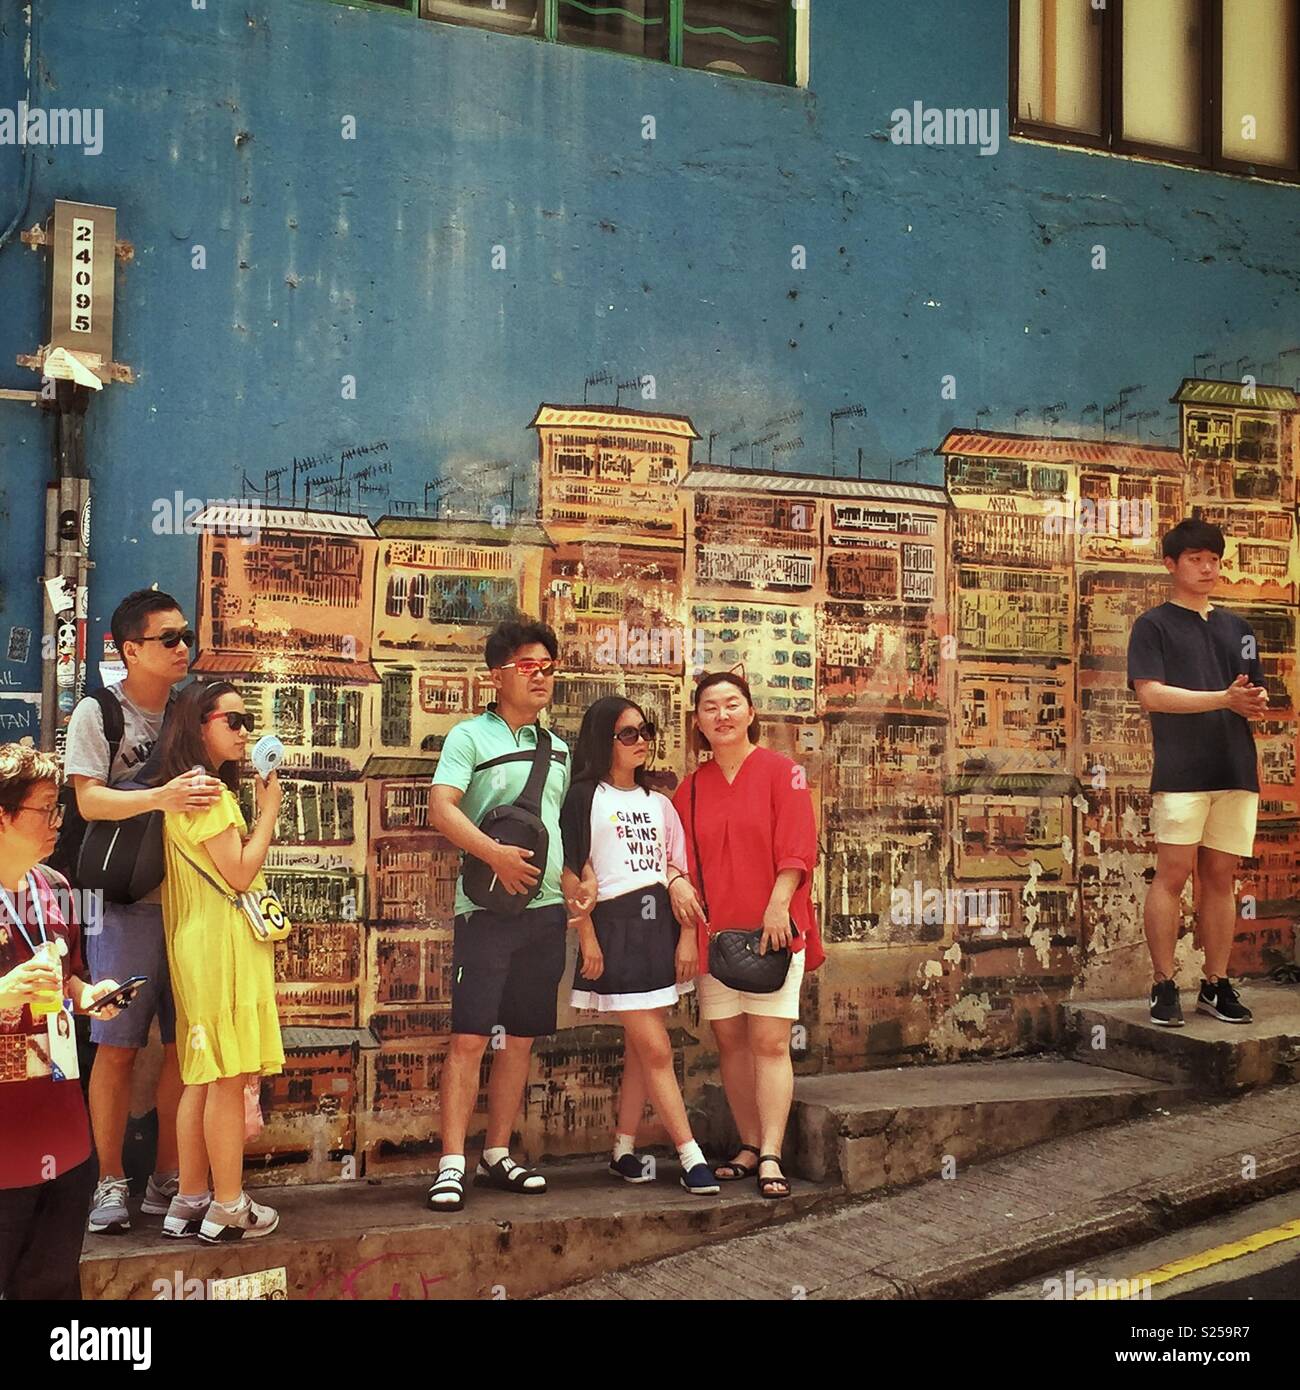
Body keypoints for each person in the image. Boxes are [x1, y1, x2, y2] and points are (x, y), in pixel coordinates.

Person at [64, 588, 222, 1234]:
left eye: (186, 636)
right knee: (117, 1046)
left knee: (188, 1046)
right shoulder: (99, 712)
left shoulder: (196, 711)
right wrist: (160, 796)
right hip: (124, 905)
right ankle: (108, 1180)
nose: (182, 648)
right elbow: (89, 802)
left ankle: (169, 1177)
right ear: (130, 649)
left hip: (192, 902)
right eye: (167, 639)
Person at [426, 618, 571, 1212]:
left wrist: (575, 888)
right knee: (468, 1037)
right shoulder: (468, 737)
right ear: (497, 675)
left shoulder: (558, 747)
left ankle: (497, 1153)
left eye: (549, 668)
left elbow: (557, 829)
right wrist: (495, 858)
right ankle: (452, 1162)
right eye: (528, 666)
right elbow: (442, 810)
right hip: (486, 912)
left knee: (520, 1040)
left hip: (547, 913)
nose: (541, 677)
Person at [672, 670, 824, 1199]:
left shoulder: (785, 773)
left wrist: (779, 905)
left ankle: (773, 1154)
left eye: (732, 704)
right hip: (716, 935)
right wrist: (690, 934)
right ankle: (747, 1143)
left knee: (770, 1039)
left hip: (775, 928)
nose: (722, 715)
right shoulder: (689, 790)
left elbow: (799, 844)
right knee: (730, 1041)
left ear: (751, 712)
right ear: (698, 721)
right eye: (710, 707)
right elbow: (682, 865)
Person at [559, 697, 717, 1194]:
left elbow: (678, 871)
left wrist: (688, 933)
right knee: (655, 1046)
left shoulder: (660, 803)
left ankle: (623, 1150)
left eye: (645, 730)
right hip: (615, 926)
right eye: (628, 734)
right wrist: (587, 935)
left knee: (640, 1047)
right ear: (604, 739)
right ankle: (691, 1156)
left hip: (658, 929)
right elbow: (570, 872)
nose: (641, 740)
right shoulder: (584, 796)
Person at [154, 681, 285, 1241]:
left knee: (201, 1077)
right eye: (233, 720)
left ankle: (190, 1197)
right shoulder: (208, 793)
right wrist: (269, 814)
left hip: (195, 940)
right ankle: (228, 1203)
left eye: (247, 720)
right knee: (226, 1077)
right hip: (220, 944)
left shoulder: (189, 789)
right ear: (198, 723)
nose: (244, 731)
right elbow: (240, 872)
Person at [1127, 518, 1269, 1028]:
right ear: (1171, 565)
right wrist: (1222, 699)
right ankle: (1164, 983)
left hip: (1235, 766)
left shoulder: (1242, 630)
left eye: (1213, 558)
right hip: (1182, 769)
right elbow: (1151, 694)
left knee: (1220, 879)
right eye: (1195, 559)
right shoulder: (1153, 625)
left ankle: (1216, 983)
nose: (1207, 567)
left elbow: (1255, 689)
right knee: (1172, 874)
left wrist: (1253, 700)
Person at [0, 744, 123, 1298]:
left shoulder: (56, 889)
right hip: (5, 1131)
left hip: (61, 1118)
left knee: (51, 1283)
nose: (58, 821)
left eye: (59, 809)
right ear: (2, 815)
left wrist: (89, 993)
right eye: (46, 809)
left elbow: (68, 978)